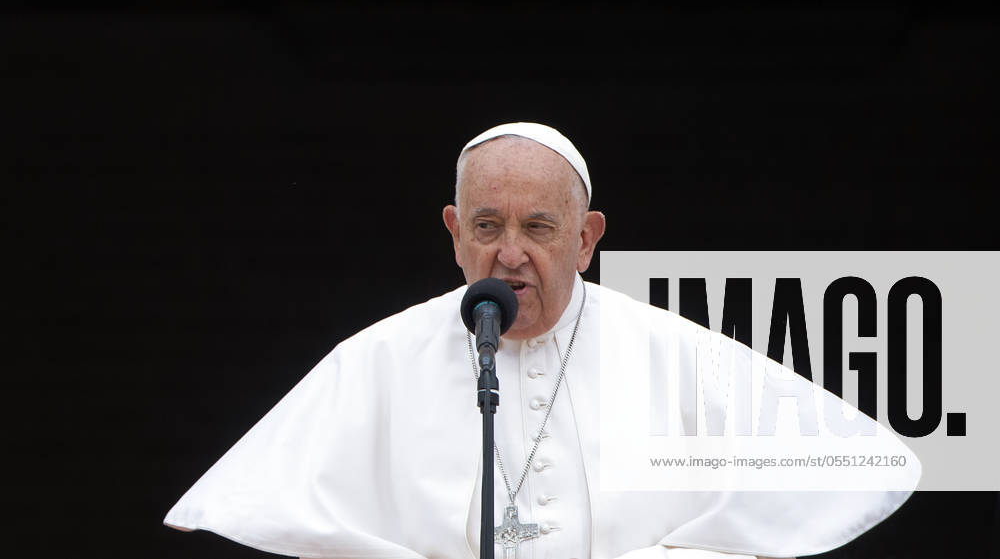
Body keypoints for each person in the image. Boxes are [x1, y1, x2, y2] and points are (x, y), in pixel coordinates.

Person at [165, 122, 920, 559]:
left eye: (539, 227)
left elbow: (860, 461)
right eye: (488, 226)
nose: (511, 252)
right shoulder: (380, 360)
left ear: (586, 239)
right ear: (455, 234)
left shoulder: (674, 351)